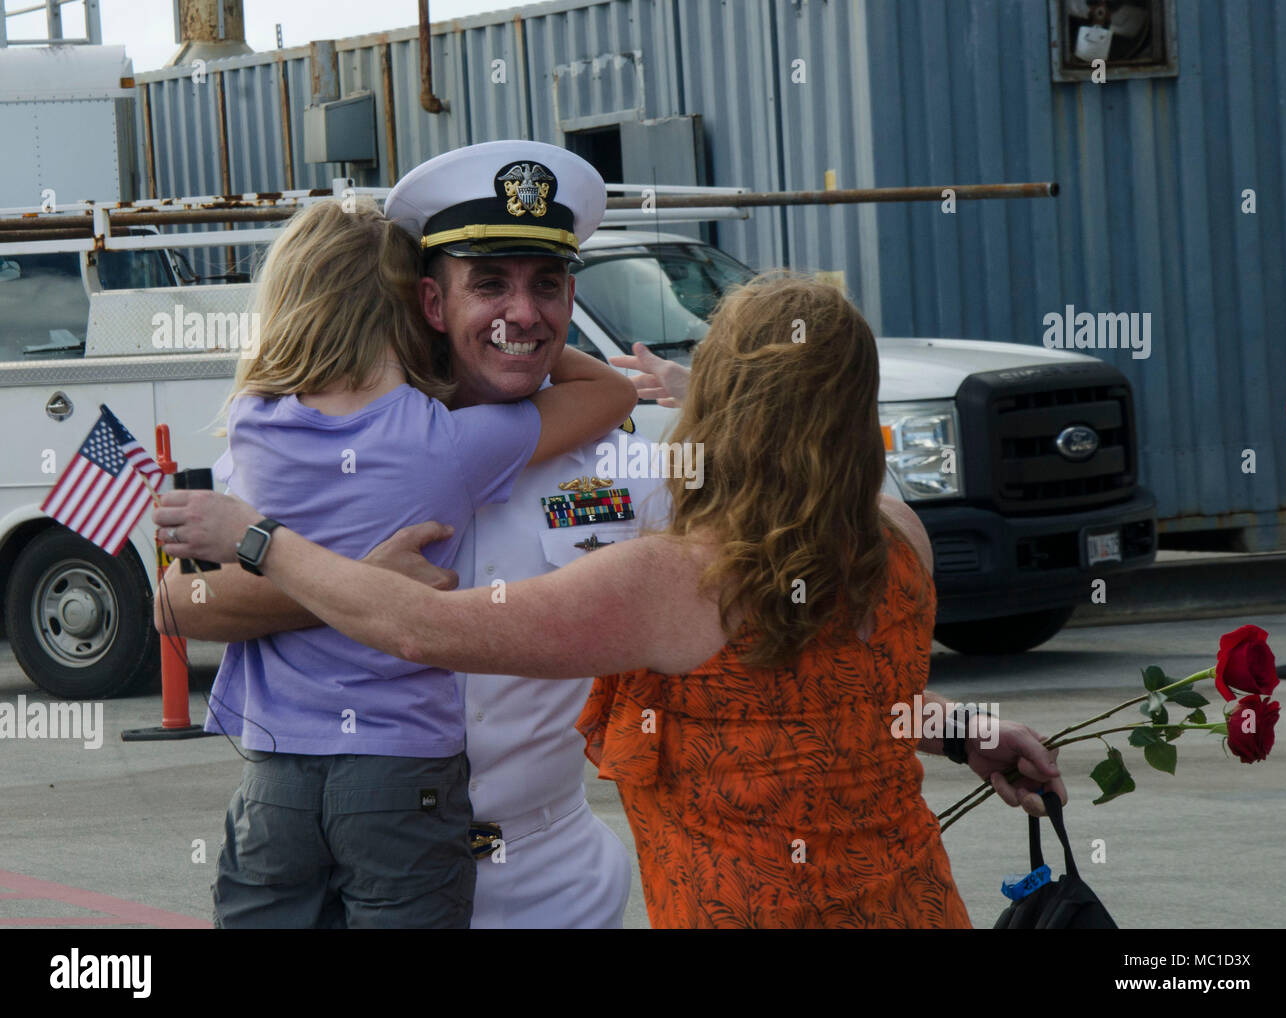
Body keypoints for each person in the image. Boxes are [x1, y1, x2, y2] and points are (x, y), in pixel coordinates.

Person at [156, 272, 1070, 929]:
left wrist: (262, 539)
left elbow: (420, 626)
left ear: (722, 403)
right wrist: (961, 726)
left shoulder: (676, 577)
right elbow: (834, 695)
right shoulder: (897, 538)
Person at [155, 140, 656, 928]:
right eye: (489, 284)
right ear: (430, 303)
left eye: (548, 287)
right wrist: (359, 584)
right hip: (374, 862)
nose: (523, 314)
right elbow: (181, 602)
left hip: (549, 879)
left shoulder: (627, 463)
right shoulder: (340, 439)